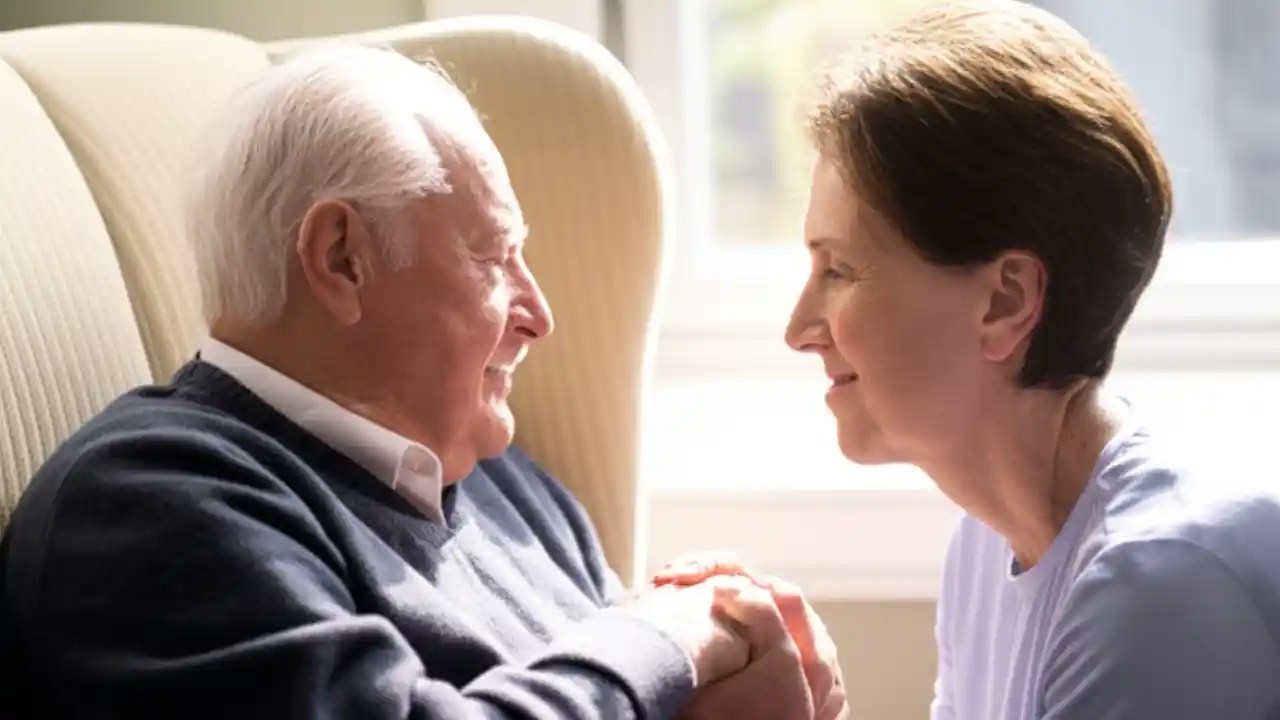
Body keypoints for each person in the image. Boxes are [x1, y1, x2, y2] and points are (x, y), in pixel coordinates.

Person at [0, 46, 843, 719]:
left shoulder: (514, 490)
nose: (539, 315)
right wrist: (668, 640)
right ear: (342, 260)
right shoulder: (149, 507)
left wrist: (732, 667)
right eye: (493, 257)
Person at [660, 0, 1280, 717]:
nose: (799, 330)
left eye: (839, 270)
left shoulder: (1156, 589)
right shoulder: (987, 549)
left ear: (1005, 302)